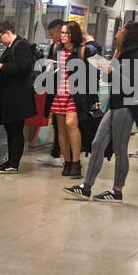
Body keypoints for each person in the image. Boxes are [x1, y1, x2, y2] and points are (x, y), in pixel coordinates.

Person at [65, 21, 138, 202]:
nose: (118, 31)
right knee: (97, 143)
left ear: (130, 34)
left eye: (123, 29)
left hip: (127, 106)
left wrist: (110, 68)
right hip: (115, 104)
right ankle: (86, 186)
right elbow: (108, 77)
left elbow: (130, 83)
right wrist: (115, 56)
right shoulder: (125, 52)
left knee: (119, 149)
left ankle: (117, 191)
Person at [47, 21, 97, 177]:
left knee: (71, 124)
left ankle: (76, 162)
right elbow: (50, 70)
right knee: (61, 129)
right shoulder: (56, 49)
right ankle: (67, 161)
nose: (63, 36)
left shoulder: (83, 51)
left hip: (76, 94)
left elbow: (93, 74)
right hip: (58, 93)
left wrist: (93, 97)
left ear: (74, 35)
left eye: (67, 33)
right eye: (62, 33)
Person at [0, 20, 38, 173]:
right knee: (11, 130)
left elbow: (24, 67)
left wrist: (2, 67)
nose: (0, 41)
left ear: (8, 33)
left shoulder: (21, 45)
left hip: (18, 97)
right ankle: (11, 161)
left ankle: (13, 163)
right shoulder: (13, 46)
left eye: (0, 37)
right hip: (12, 96)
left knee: (15, 130)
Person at [41, 19, 64, 164]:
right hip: (53, 86)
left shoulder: (70, 48)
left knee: (63, 123)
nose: (51, 37)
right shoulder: (54, 46)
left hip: (63, 90)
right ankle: (56, 152)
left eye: (52, 33)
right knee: (56, 122)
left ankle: (62, 154)